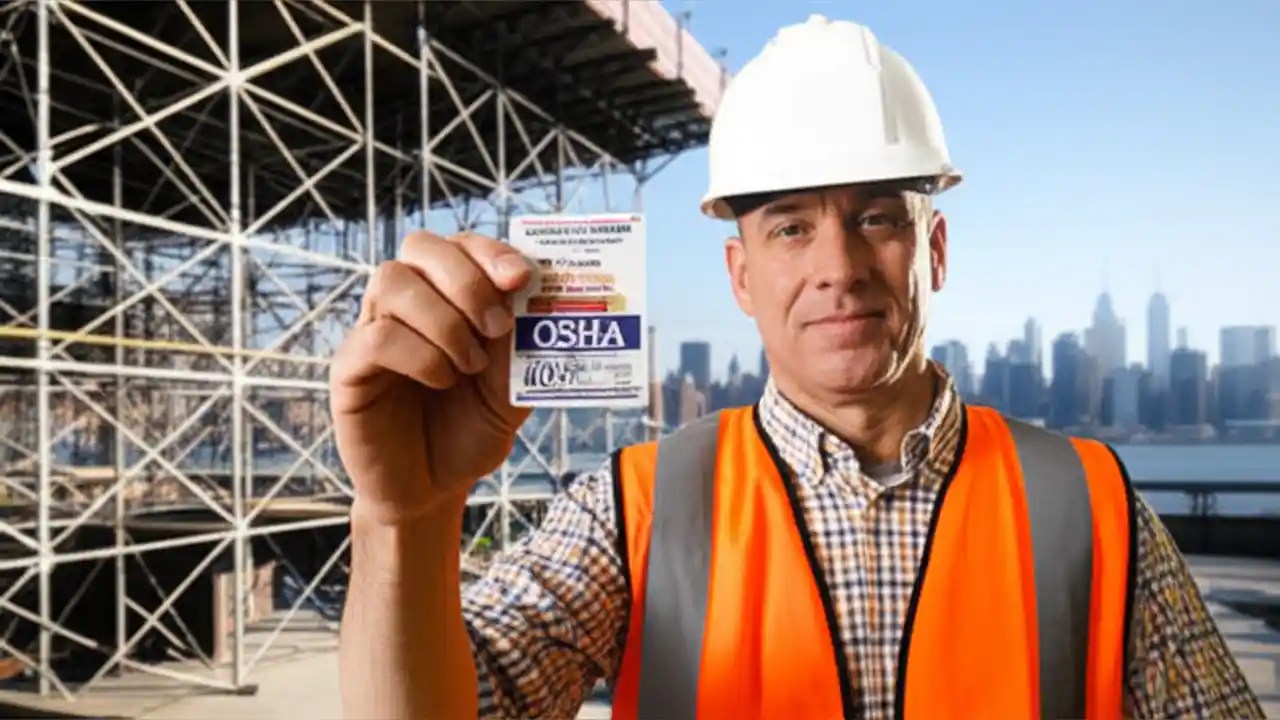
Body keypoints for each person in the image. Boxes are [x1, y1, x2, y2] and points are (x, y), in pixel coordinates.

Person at [333, 15, 1264, 720]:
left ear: (933, 250)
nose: (839, 269)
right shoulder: (634, 513)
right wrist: (403, 523)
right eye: (789, 226)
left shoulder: (1090, 506)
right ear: (741, 275)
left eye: (876, 216)